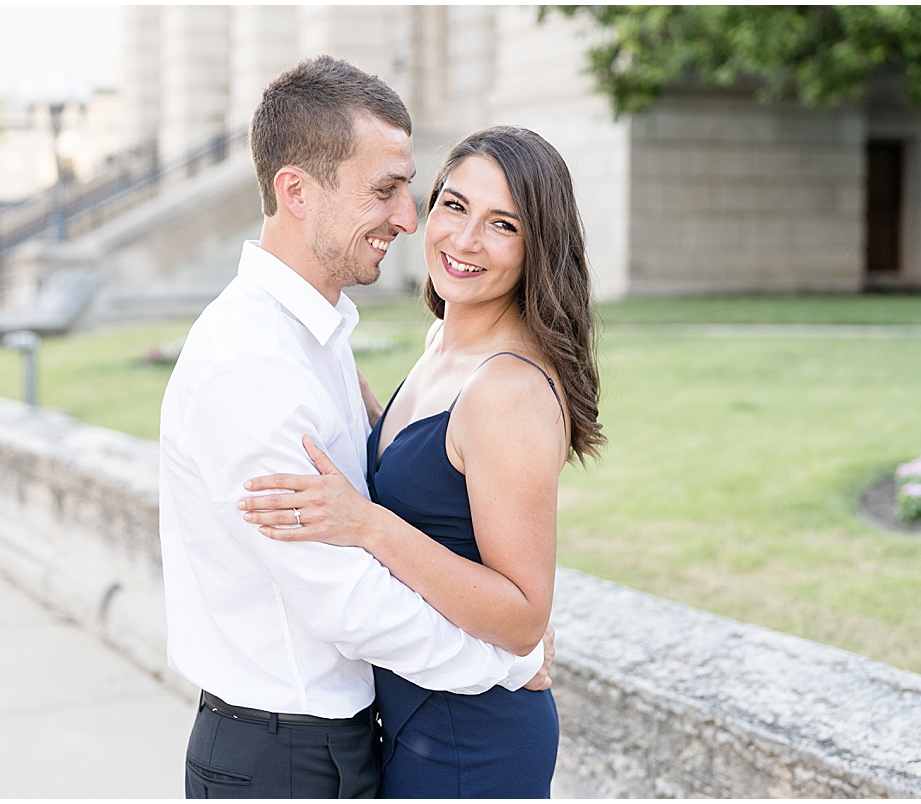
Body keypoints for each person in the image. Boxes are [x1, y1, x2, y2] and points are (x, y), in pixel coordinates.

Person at [158, 57, 552, 799]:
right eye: (386, 190)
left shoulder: (319, 334)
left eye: (409, 189)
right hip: (283, 758)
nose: (409, 218)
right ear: (296, 192)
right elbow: (349, 603)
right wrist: (506, 662)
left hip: (348, 741)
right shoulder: (253, 364)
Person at [240, 125, 606, 798]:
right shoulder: (446, 341)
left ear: (538, 248)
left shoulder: (508, 389)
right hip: (415, 717)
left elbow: (525, 613)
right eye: (454, 205)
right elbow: (439, 480)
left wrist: (368, 525)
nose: (464, 240)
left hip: (473, 741)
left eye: (503, 225)